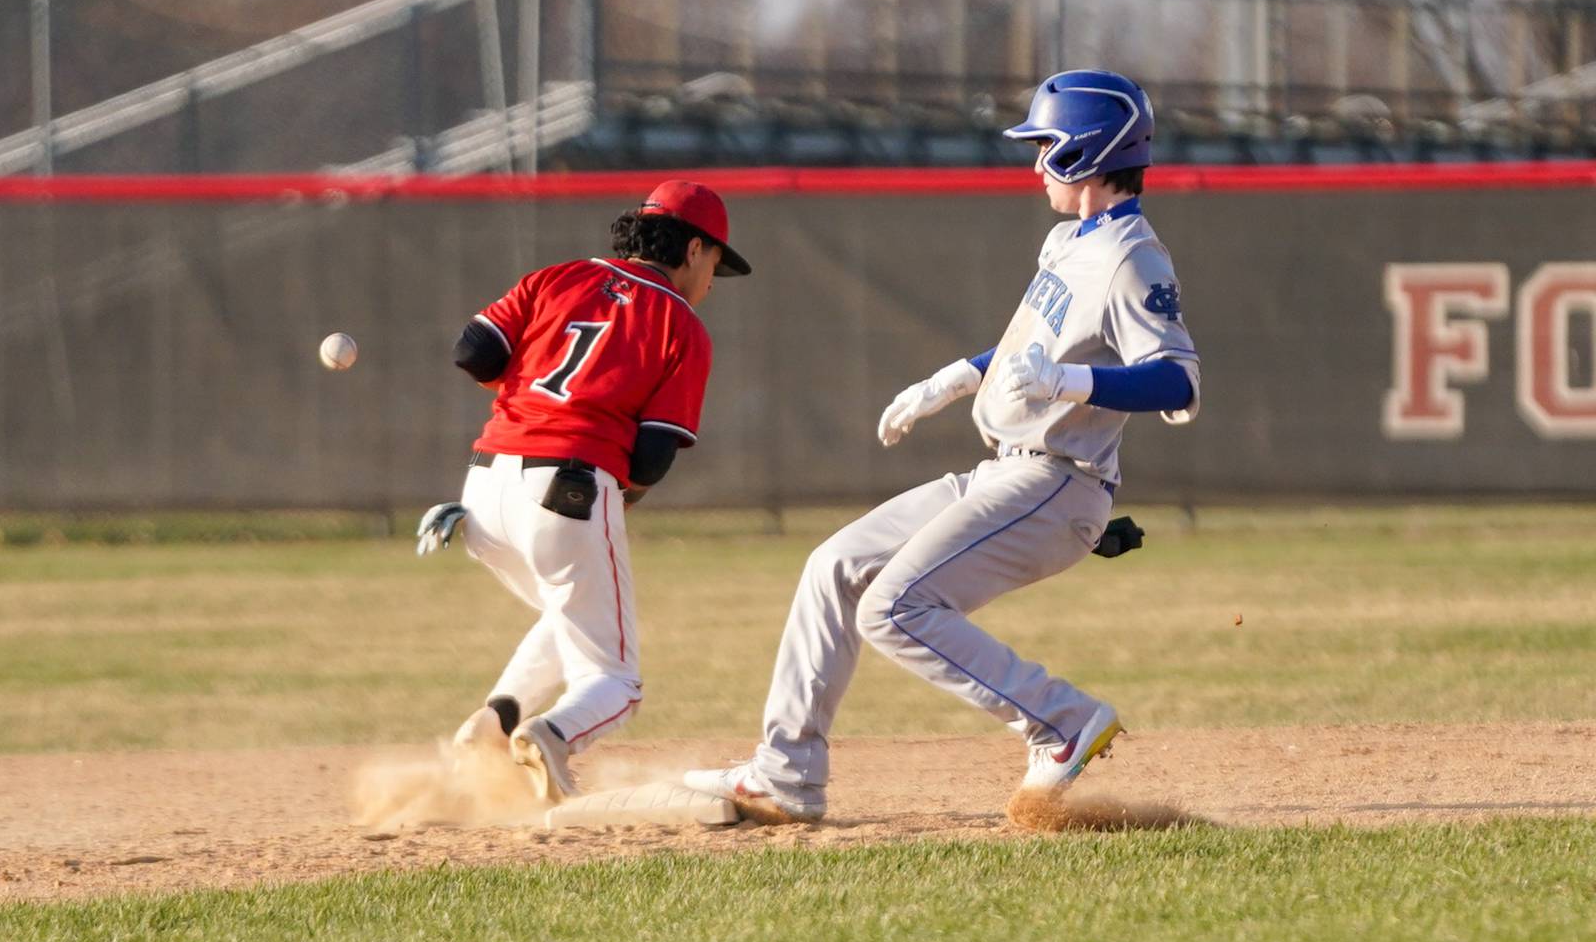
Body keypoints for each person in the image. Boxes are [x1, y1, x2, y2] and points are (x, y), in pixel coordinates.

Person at [684, 70, 1200, 823]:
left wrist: (1069, 381)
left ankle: (1061, 721)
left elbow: (1176, 380)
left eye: (1046, 145)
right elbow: (1027, 350)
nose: (1035, 163)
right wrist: (954, 380)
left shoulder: (1133, 258)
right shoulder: (1070, 240)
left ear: (1085, 153)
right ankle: (786, 773)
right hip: (1005, 470)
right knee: (833, 566)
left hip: (1059, 481)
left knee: (892, 607)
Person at [416, 180, 751, 801]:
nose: (711, 280)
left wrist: (531, 392)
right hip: (567, 488)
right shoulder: (681, 323)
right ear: (696, 248)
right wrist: (617, 491)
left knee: (569, 610)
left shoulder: (556, 277)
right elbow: (651, 456)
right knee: (615, 679)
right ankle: (553, 735)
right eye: (715, 264)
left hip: (484, 488)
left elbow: (474, 351)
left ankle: (493, 727)